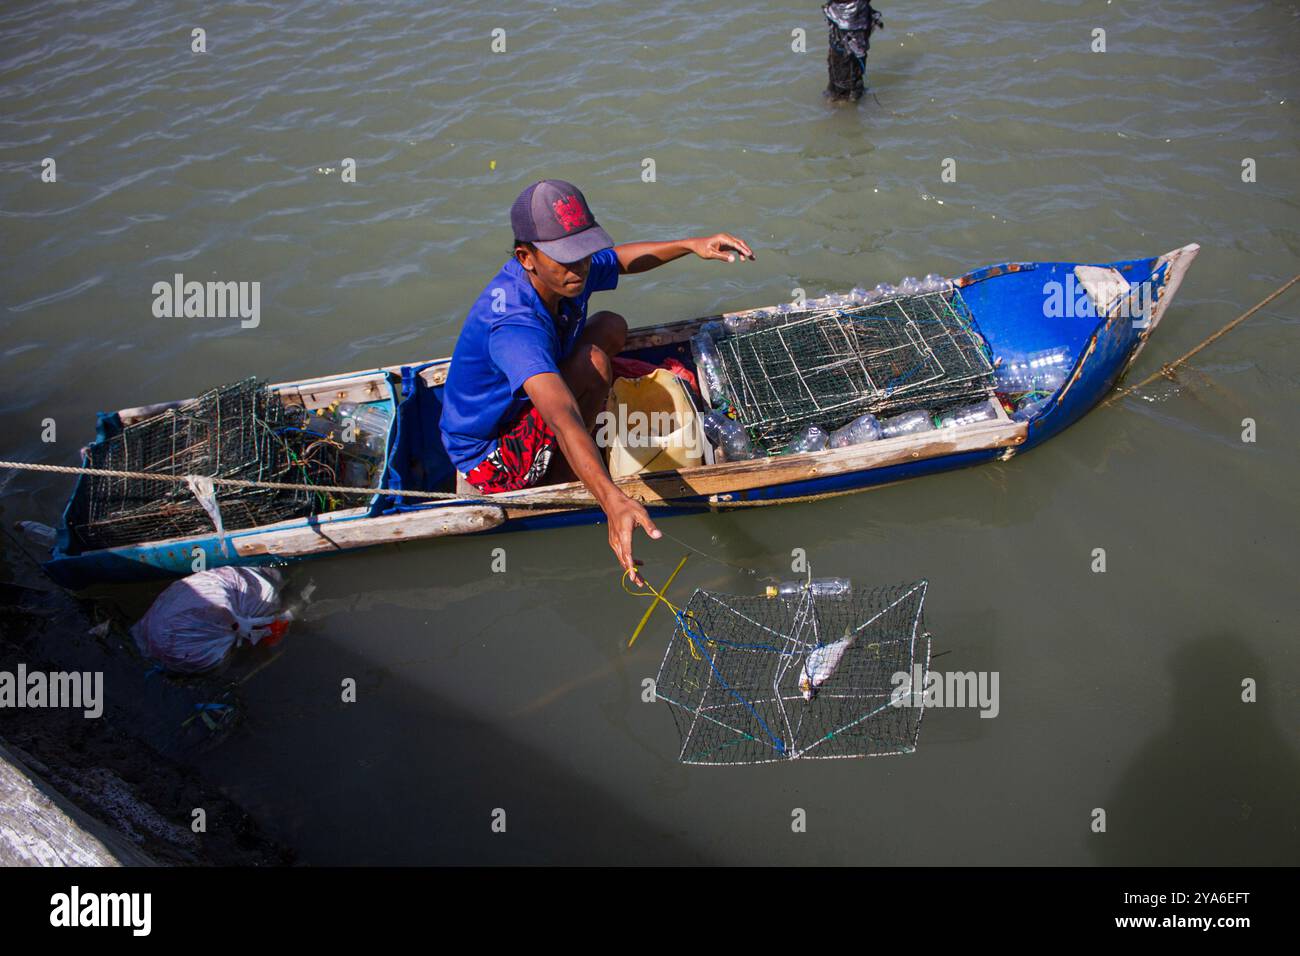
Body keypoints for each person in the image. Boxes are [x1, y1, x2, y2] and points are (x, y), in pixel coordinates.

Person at [439, 179, 754, 583]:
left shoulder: (563, 273)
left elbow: (621, 259)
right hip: (490, 455)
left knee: (609, 325)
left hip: (522, 409)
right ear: (526, 256)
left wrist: (692, 244)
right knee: (594, 364)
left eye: (583, 253)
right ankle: (560, 477)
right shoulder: (514, 327)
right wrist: (611, 500)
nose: (581, 267)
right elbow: (561, 416)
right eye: (566, 259)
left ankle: (579, 455)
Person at [823, 1, 884, 103]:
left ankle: (840, 105)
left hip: (844, 49)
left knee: (840, 91)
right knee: (846, 90)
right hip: (848, 49)